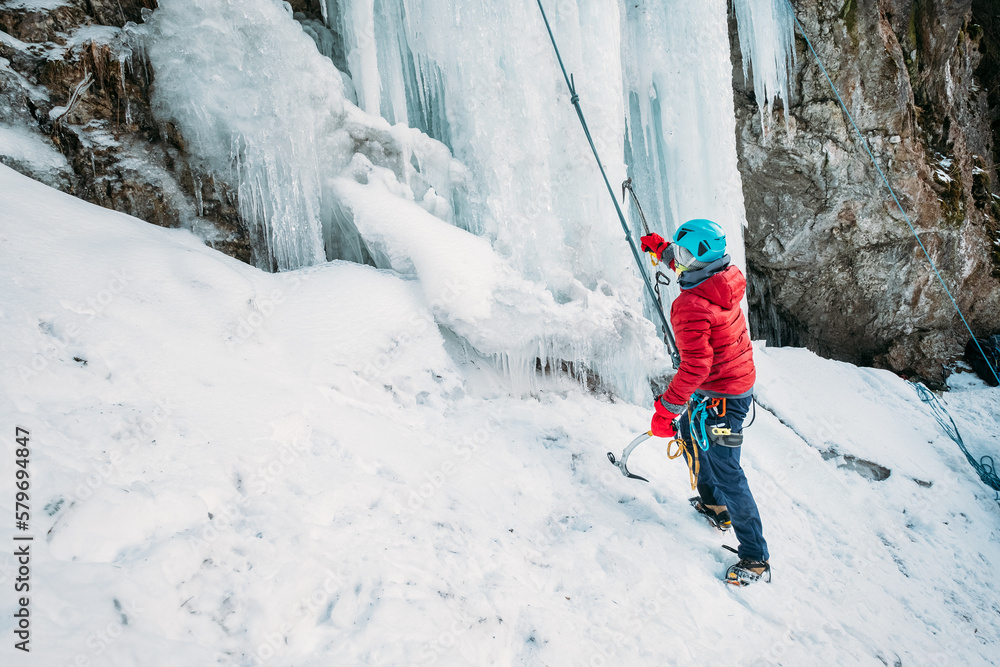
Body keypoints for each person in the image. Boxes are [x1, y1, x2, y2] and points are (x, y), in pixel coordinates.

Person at [640, 219, 770, 586]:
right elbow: (691, 268)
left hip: (722, 396)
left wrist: (665, 410)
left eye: (684, 253)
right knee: (689, 431)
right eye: (678, 253)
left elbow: (695, 367)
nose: (678, 260)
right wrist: (664, 250)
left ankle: (756, 557)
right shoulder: (724, 278)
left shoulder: (690, 306)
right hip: (727, 384)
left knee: (728, 471)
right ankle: (715, 506)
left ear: (700, 258)